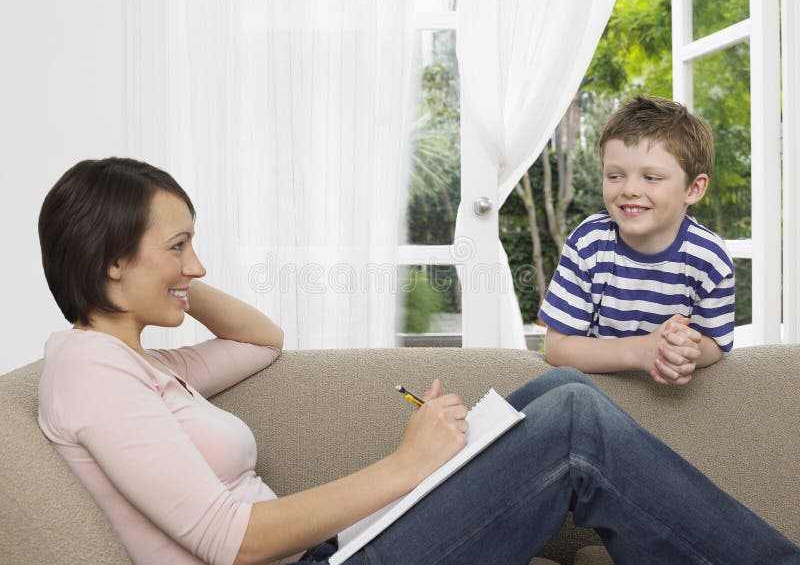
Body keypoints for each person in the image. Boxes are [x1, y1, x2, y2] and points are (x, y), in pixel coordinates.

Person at [37, 157, 798, 565]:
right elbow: (229, 540)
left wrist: (177, 281)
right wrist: (408, 466)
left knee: (561, 385)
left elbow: (259, 340)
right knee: (573, 425)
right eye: (178, 245)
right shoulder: (88, 369)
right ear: (110, 261)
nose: (197, 263)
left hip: (334, 550)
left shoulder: (145, 366)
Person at [538, 96, 735, 386]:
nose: (630, 189)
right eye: (615, 175)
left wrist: (685, 351)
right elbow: (556, 348)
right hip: (597, 392)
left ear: (693, 188)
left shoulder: (710, 258)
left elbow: (715, 343)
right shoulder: (588, 242)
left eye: (651, 177)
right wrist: (640, 352)